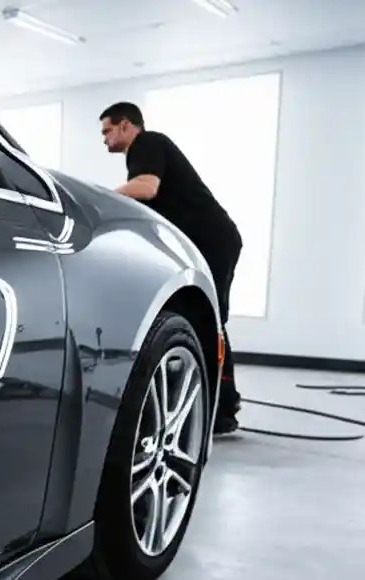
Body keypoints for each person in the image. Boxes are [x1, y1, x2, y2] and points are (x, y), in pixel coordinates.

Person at [99, 101, 242, 434]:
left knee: (212, 319)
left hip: (213, 240)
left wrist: (101, 197)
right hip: (206, 241)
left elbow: (146, 189)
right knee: (207, 318)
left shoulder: (146, 143)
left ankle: (222, 408)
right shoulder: (144, 152)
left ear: (125, 125)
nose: (104, 140)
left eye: (107, 131)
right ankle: (222, 405)